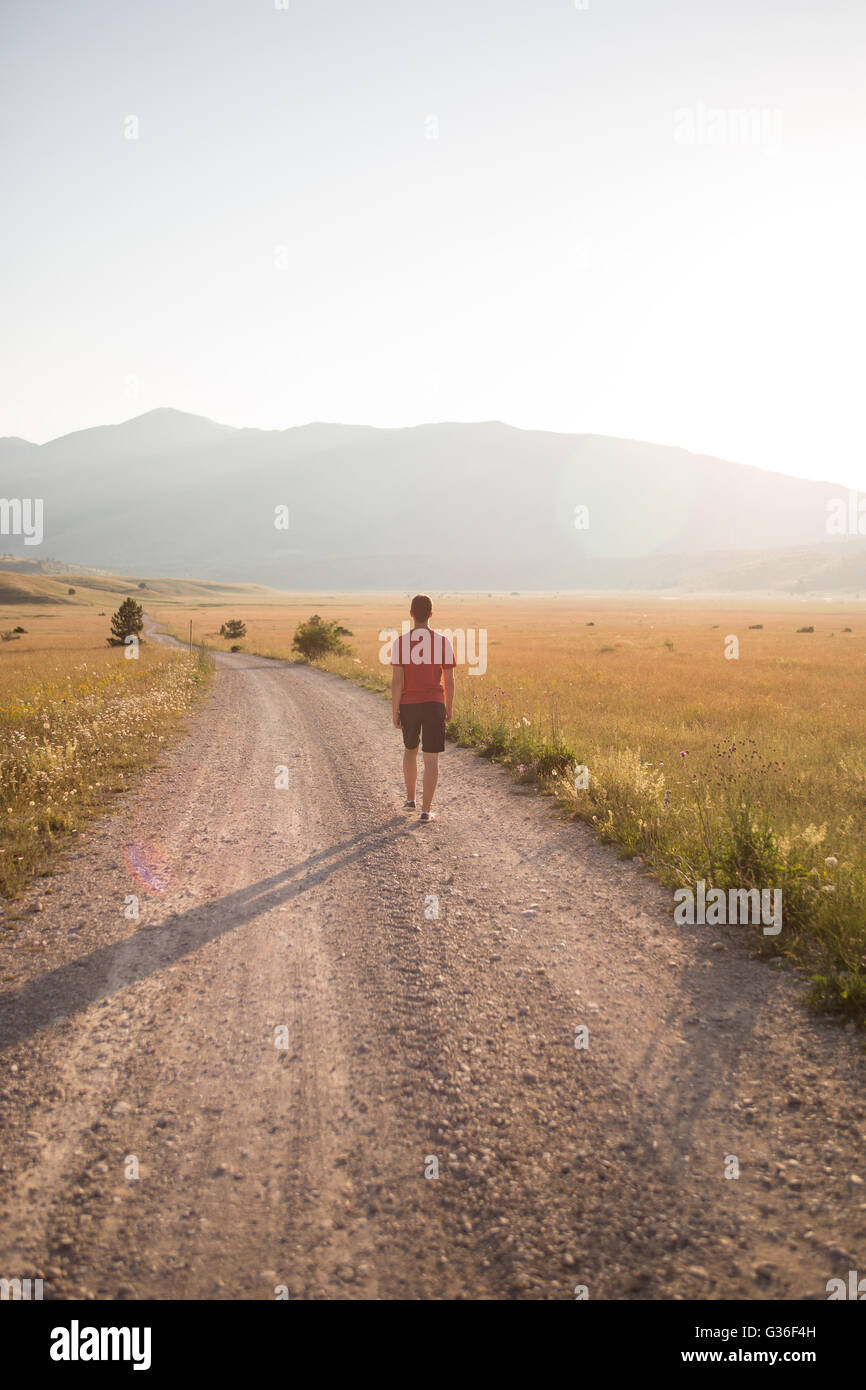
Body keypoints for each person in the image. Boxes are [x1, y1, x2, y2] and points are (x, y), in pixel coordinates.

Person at [390, 595, 455, 822]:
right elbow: (449, 679)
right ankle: (426, 811)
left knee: (410, 750)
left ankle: (410, 800)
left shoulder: (400, 642)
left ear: (410, 613)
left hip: (409, 705)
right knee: (431, 759)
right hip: (434, 704)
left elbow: (397, 680)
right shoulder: (442, 642)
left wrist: (394, 710)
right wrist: (449, 707)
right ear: (430, 614)